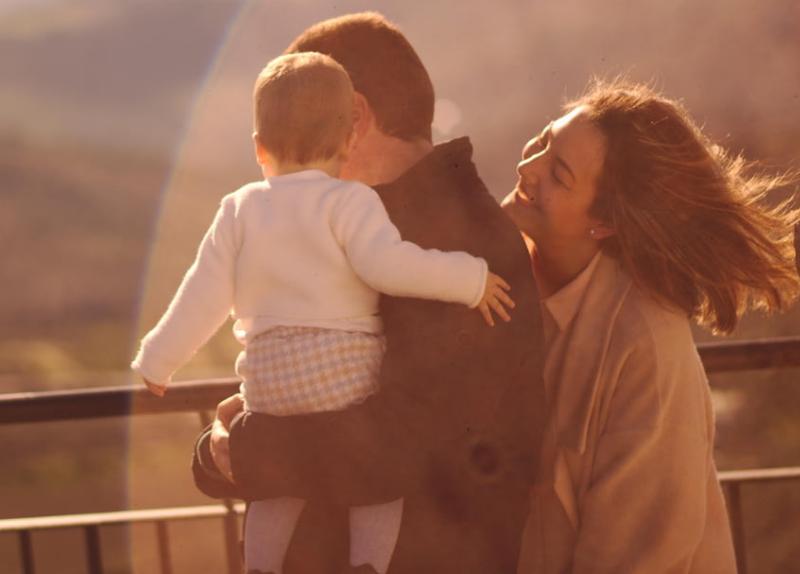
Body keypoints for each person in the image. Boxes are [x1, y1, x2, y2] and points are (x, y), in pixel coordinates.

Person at [131, 50, 517, 574]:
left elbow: (203, 293)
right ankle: (369, 566)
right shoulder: (351, 203)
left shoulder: (238, 209)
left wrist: (158, 360)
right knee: (381, 484)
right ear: (349, 137)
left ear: (259, 149)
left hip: (268, 384)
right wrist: (470, 279)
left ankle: (261, 567)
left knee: (272, 487)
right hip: (342, 379)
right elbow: (390, 266)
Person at [501, 79, 800, 573]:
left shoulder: (645, 349)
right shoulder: (488, 275)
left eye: (559, 173)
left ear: (604, 223)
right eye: (543, 141)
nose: (527, 168)